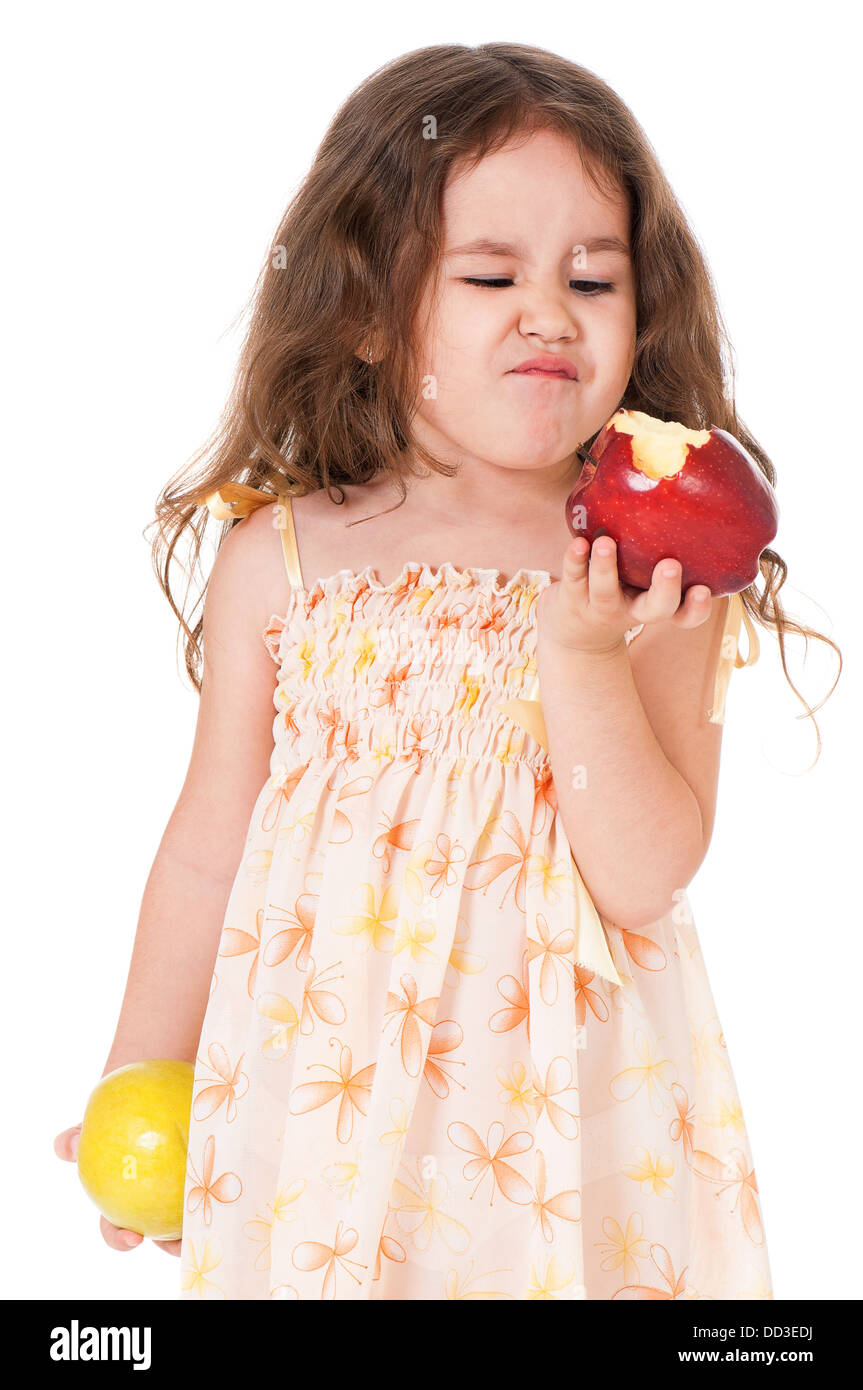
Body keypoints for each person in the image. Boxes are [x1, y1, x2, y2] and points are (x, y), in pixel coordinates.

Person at [55, 42, 840, 1300]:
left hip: (565, 1127)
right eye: (489, 273)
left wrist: (582, 653)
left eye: (593, 276)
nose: (549, 309)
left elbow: (643, 874)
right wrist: (142, 1070)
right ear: (366, 313)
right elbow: (209, 839)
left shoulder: (655, 572)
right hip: (332, 1108)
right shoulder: (285, 557)